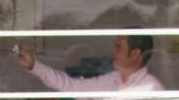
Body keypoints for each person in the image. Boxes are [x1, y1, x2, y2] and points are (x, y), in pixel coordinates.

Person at [15, 35, 165, 96]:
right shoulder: (110, 81)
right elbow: (70, 85)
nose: (112, 52)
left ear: (135, 54)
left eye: (118, 47)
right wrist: (34, 66)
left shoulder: (152, 88)